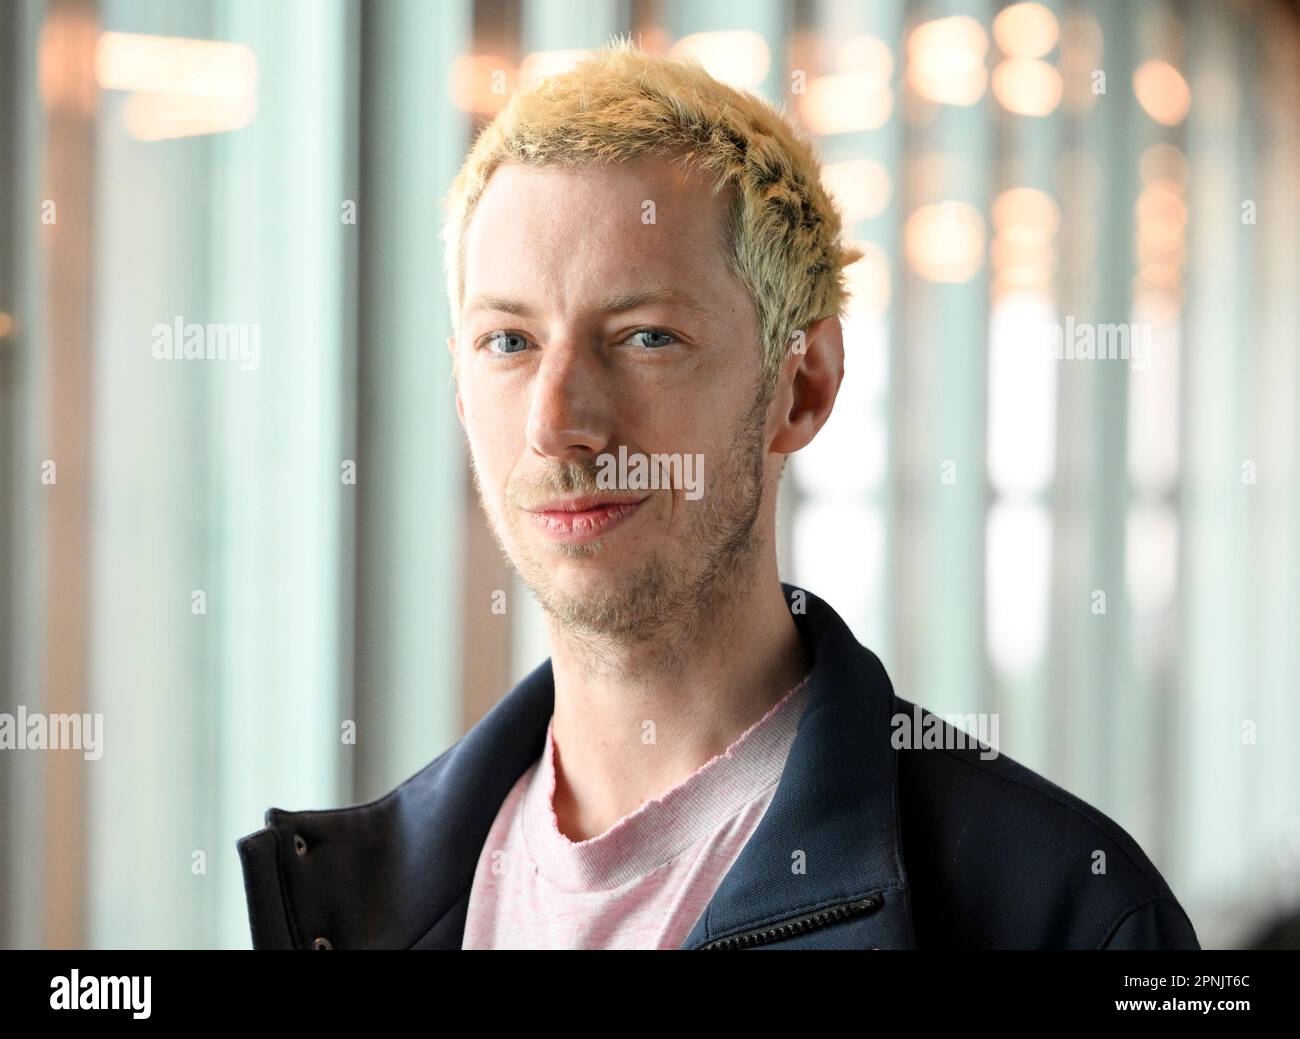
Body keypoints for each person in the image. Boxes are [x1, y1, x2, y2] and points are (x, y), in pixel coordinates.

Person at [237, 39, 1199, 951]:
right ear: (459, 389)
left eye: (646, 336)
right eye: (510, 342)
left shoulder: (1061, 911)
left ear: (803, 385)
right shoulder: (355, 897)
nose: (556, 422)